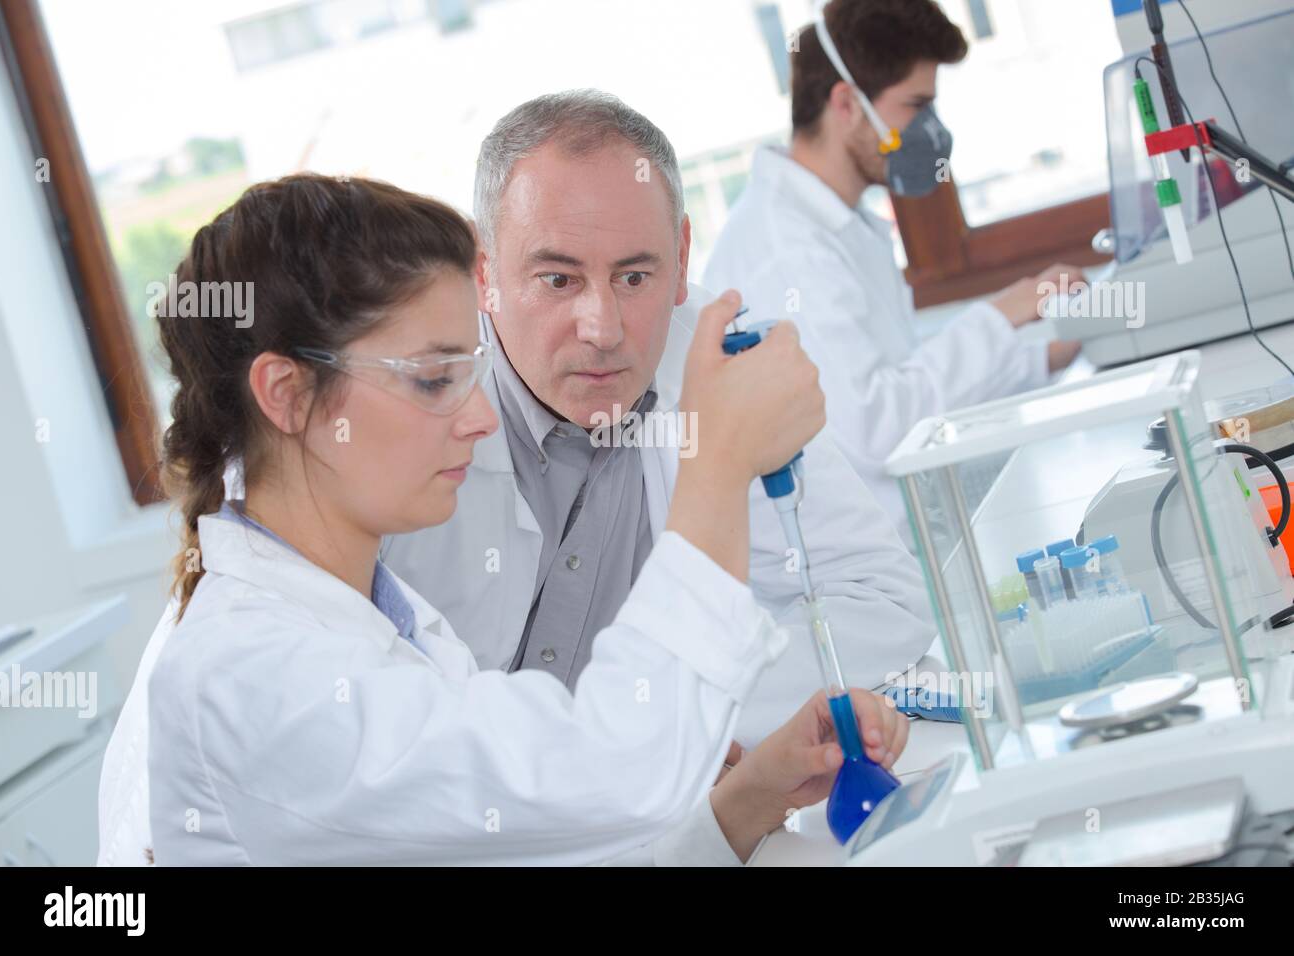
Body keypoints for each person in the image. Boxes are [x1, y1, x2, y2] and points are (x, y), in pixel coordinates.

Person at [96, 174, 908, 866]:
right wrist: (719, 463)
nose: (483, 416)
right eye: (433, 378)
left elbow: (549, 832)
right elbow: (620, 762)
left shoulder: (389, 622)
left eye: (472, 369)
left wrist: (744, 805)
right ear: (287, 395)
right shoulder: (255, 679)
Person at [384, 91, 935, 744]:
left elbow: (885, 601)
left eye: (635, 276)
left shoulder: (720, 360)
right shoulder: (401, 402)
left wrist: (664, 733)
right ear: (482, 272)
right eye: (558, 280)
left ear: (679, 257)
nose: (603, 328)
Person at [703, 0, 1083, 535]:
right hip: (852, 573)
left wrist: (1045, 355)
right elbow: (877, 428)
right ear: (847, 104)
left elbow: (905, 383)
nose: (930, 130)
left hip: (897, 542)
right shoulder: (787, 247)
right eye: (915, 105)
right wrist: (1001, 315)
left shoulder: (839, 220)